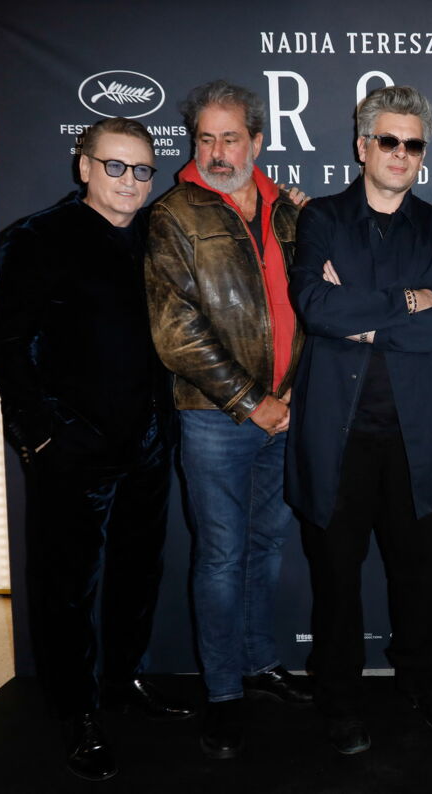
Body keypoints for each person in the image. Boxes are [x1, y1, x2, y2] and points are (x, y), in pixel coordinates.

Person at [0, 116, 191, 782]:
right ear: (84, 167)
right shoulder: (38, 238)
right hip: (74, 449)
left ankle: (123, 681)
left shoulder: (157, 237)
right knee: (68, 588)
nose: (130, 181)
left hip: (149, 441)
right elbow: (5, 346)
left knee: (136, 575)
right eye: (115, 166)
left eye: (141, 170)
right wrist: (44, 434)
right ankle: (76, 712)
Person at [285, 86, 432, 755]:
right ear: (363, 146)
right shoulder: (323, 221)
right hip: (335, 435)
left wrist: (368, 317)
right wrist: (407, 304)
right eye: (388, 141)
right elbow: (316, 307)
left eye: (413, 143)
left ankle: (423, 681)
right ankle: (338, 697)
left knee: (421, 572)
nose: (401, 154)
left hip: (418, 436)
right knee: (335, 578)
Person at [145, 80, 312, 761]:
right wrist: (251, 401)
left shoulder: (283, 209)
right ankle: (222, 694)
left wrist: (293, 395)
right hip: (218, 418)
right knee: (221, 557)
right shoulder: (174, 215)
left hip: (288, 414)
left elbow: (307, 307)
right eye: (205, 139)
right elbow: (175, 331)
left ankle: (256, 661)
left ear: (257, 141)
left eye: (231, 138)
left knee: (267, 547)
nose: (217, 152)